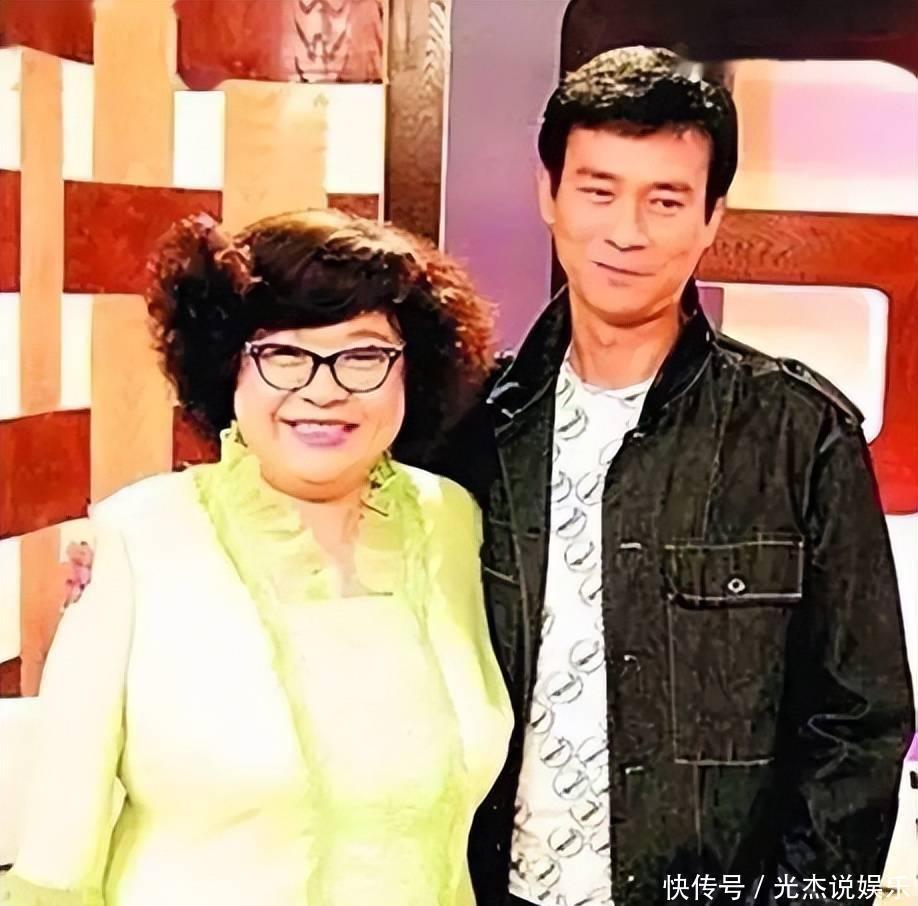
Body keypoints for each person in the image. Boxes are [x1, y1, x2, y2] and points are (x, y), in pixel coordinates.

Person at [444, 46, 914, 906]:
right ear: (548, 194)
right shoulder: (468, 428)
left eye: (665, 200)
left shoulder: (799, 433)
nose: (627, 231)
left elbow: (860, 725)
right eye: (598, 190)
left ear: (711, 217)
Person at [1, 209, 512, 906]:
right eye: (282, 353)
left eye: (364, 355)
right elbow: (60, 849)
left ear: (412, 370)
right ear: (228, 365)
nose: (324, 389)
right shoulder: (138, 538)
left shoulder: (453, 521)